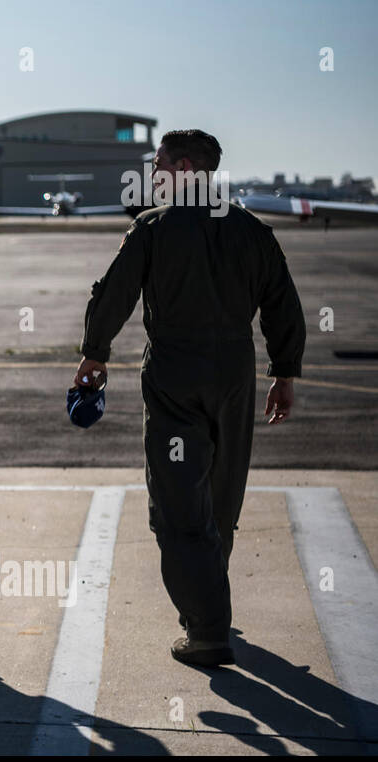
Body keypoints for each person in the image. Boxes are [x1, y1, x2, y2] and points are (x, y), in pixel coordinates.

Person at [75, 128, 305, 668]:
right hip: (235, 373)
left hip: (176, 371)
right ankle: (209, 598)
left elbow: (114, 294)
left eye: (159, 164)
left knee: (178, 501)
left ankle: (206, 630)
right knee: (222, 493)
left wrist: (94, 354)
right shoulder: (252, 229)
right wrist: (285, 372)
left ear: (183, 168)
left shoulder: (153, 228)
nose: (153, 174)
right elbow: (283, 305)